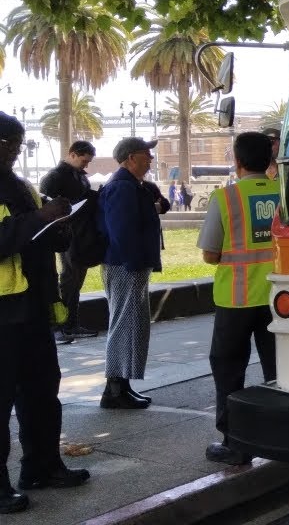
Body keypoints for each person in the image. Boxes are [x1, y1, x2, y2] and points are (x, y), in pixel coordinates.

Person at [0, 113, 90, 513]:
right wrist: (40, 218)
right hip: (3, 313)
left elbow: (37, 232)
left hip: (32, 309)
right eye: (11, 144)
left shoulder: (18, 185)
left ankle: (42, 466)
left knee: (42, 393)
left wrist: (60, 228)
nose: (17, 151)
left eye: (19, 144)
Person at [198, 132, 279, 466]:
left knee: (229, 372)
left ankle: (236, 443)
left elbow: (210, 255)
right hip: (279, 300)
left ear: (238, 161)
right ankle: (283, 439)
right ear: (269, 160)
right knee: (279, 373)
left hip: (236, 299)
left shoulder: (225, 197)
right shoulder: (285, 195)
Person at [98, 137, 164, 409]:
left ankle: (122, 385)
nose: (150, 158)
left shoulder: (129, 185)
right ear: (129, 158)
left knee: (131, 325)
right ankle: (114, 389)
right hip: (125, 265)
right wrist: (135, 262)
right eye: (145, 154)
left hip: (128, 264)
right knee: (124, 324)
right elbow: (121, 232)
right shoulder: (122, 187)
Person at [39, 141, 98, 345]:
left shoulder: (78, 175)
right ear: (73, 154)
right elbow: (45, 204)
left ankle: (72, 323)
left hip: (80, 234)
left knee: (76, 279)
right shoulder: (54, 177)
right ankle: (63, 325)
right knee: (69, 279)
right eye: (84, 161)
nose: (86, 166)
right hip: (67, 233)